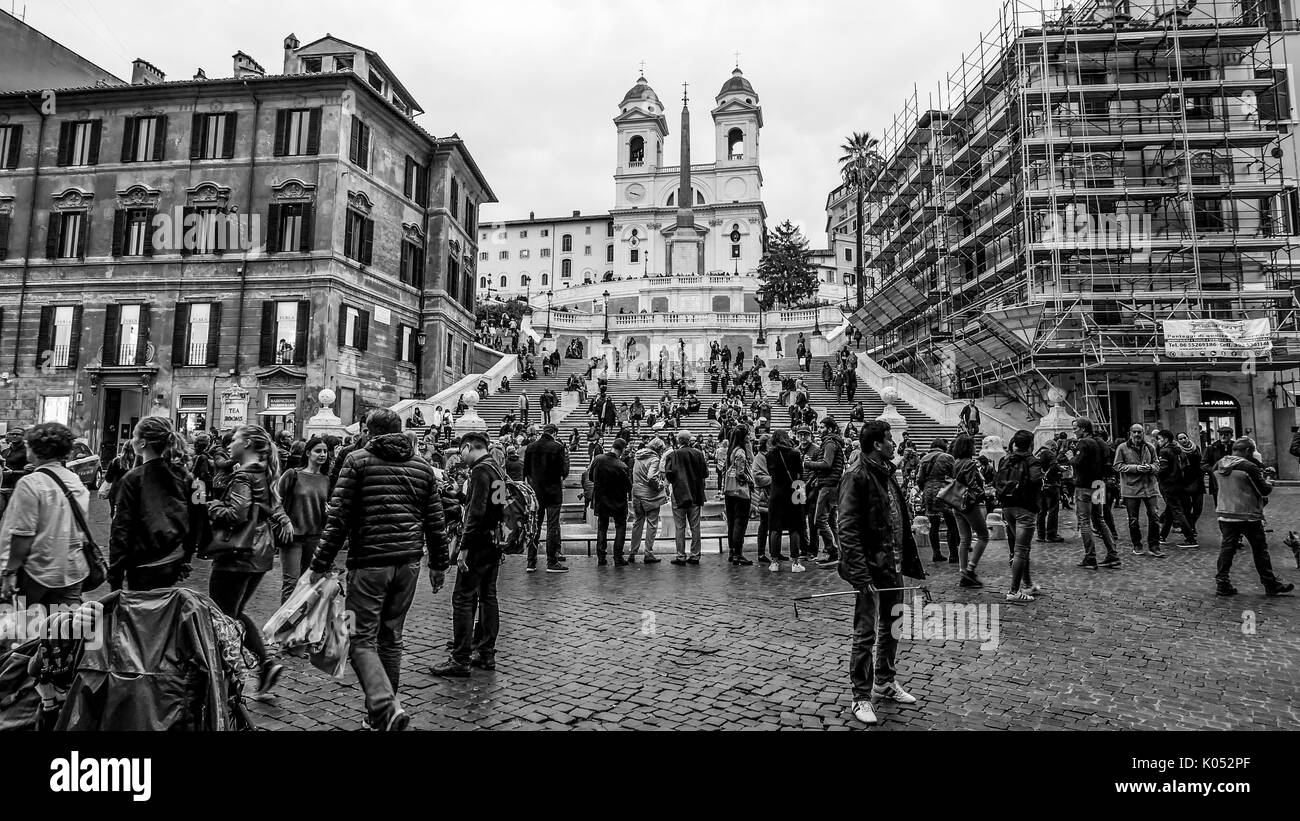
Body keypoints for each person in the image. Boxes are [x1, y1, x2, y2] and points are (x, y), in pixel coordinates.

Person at [310, 409, 449, 731]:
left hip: (370, 563)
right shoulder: (422, 466)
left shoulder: (357, 461)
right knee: (391, 638)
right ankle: (380, 717)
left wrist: (319, 563)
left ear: (369, 433)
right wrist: (439, 564)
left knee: (359, 638)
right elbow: (436, 520)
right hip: (409, 564)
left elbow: (339, 518)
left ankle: (385, 705)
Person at [837, 420, 924, 726]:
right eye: (890, 439)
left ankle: (884, 681)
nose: (894, 444)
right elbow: (846, 528)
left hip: (892, 563)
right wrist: (860, 575)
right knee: (865, 633)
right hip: (870, 569)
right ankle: (861, 695)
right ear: (877, 444)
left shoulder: (884, 470)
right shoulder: (857, 475)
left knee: (893, 624)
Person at [207, 425, 290, 697]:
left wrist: (210, 506)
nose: (230, 444)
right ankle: (264, 664)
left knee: (222, 615)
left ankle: (227, 677)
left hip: (238, 554)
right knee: (235, 610)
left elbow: (236, 514)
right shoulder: (264, 473)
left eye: (235, 440)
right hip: (260, 552)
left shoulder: (244, 475)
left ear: (249, 445)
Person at [430, 431, 507, 677]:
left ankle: (460, 657)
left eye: (461, 451)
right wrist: (461, 494)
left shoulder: (479, 471)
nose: (460, 457)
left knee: (463, 598)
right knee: (488, 596)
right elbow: (497, 505)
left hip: (477, 544)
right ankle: (486, 653)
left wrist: (463, 548)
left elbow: (476, 513)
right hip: (493, 542)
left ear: (467, 447)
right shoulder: (496, 468)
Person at [0, 423, 91, 609]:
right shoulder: (74, 480)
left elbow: (22, 535)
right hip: (72, 568)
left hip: (38, 571)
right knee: (63, 629)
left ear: (35, 449)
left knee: (26, 627)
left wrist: (9, 572)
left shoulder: (31, 483)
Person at [106, 418, 202, 592]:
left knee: (141, 613)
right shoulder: (185, 475)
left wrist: (115, 576)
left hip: (143, 563)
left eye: (134, 436)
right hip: (173, 557)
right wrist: (187, 556)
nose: (132, 440)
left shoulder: (133, 478)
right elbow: (197, 517)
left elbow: (121, 528)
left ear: (142, 443)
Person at [1211, 437, 1293, 597]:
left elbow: (1216, 487)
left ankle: (1222, 582)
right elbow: (1264, 490)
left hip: (1226, 512)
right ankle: (1270, 583)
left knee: (1227, 549)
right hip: (1248, 514)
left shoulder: (1218, 465)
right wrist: (1269, 480)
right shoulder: (1249, 466)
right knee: (1260, 550)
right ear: (1248, 451)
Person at [277, 436, 331, 603]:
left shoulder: (325, 479)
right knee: (291, 583)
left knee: (309, 583)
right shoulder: (292, 474)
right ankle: (284, 625)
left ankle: (302, 623)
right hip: (292, 536)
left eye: (325, 451)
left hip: (315, 536)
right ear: (308, 453)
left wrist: (328, 511)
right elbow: (275, 500)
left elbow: (323, 507)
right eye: (318, 451)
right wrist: (284, 520)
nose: (322, 454)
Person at [998, 430, 1044, 603]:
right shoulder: (1032, 461)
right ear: (1031, 444)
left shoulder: (1005, 459)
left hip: (1007, 507)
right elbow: (1035, 481)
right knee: (1021, 550)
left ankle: (1028, 583)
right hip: (1025, 508)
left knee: (1022, 549)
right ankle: (1014, 590)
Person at [1068, 418, 1120, 569]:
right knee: (1099, 519)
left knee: (1084, 522)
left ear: (1083, 429)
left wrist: (1071, 458)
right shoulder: (1101, 442)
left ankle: (1090, 557)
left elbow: (1078, 463)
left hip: (1085, 486)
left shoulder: (1084, 443)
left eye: (1076, 428)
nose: (1074, 431)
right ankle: (1113, 554)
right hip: (1099, 484)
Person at [524, 423, 570, 573]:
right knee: (552, 526)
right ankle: (552, 561)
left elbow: (526, 472)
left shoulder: (530, 447)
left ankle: (531, 562)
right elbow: (563, 471)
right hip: (553, 492)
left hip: (536, 491)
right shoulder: (558, 447)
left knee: (534, 526)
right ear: (555, 433)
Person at [1114, 424, 1164, 558]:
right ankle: (1137, 544)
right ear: (1130, 433)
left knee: (1154, 517)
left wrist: (1150, 467)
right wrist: (1135, 468)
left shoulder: (1150, 447)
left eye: (1140, 432)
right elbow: (1117, 466)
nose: (1137, 434)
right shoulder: (1122, 448)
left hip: (1150, 488)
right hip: (1131, 489)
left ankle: (1154, 546)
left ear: (1143, 433)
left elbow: (1157, 465)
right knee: (1133, 519)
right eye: (1134, 432)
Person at [948, 434, 990, 589]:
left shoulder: (955, 462)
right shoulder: (970, 464)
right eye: (973, 445)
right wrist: (985, 494)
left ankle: (963, 571)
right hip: (969, 503)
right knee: (983, 535)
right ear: (968, 447)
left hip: (956, 502)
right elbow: (972, 484)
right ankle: (970, 569)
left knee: (964, 538)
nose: (975, 447)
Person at [764, 429, 808, 572]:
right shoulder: (795, 454)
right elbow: (800, 475)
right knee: (795, 528)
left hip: (776, 494)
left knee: (774, 529)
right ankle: (795, 563)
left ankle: (774, 562)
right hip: (793, 493)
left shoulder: (769, 455)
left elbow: (771, 473)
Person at [805, 417, 845, 566]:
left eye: (822, 427)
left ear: (829, 429)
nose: (819, 429)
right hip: (832, 485)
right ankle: (840, 552)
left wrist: (808, 463)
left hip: (828, 485)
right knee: (831, 521)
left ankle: (833, 551)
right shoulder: (832, 443)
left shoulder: (829, 443)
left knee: (820, 519)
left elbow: (826, 464)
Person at [665, 430, 708, 565]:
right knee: (695, 526)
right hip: (695, 494)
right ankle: (695, 555)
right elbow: (705, 474)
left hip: (679, 494)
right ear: (690, 440)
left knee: (680, 527)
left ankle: (681, 556)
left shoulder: (673, 455)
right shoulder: (699, 454)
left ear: (678, 441)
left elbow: (669, 475)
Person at [590, 439, 633, 566]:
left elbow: (591, 477)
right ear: (623, 450)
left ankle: (601, 557)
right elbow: (628, 487)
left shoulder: (598, 459)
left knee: (602, 527)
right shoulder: (622, 466)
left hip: (601, 499)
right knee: (620, 527)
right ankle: (618, 557)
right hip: (618, 501)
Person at [916, 438, 958, 563]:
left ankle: (936, 553)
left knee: (933, 524)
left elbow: (919, 478)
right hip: (945, 489)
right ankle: (954, 554)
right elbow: (954, 475)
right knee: (951, 523)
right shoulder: (948, 457)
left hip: (929, 491)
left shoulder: (924, 458)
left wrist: (926, 488)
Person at [1155, 429, 1198, 548]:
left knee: (1177, 511)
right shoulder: (1179, 451)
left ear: (1166, 439)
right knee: (1170, 511)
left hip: (1169, 485)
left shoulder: (1164, 451)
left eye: (1159, 439)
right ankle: (1162, 535)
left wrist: (1155, 473)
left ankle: (1190, 538)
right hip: (1180, 484)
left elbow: (1163, 469)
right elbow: (1185, 467)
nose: (1158, 442)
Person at [630, 438, 668, 564]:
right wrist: (660, 485)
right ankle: (648, 553)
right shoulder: (654, 459)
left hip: (636, 494)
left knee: (637, 522)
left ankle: (632, 552)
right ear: (658, 449)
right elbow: (651, 477)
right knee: (652, 524)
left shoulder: (638, 456)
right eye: (662, 449)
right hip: (650, 496)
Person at [722, 427, 755, 567]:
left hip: (730, 491)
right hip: (740, 492)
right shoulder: (740, 452)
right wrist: (750, 480)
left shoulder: (731, 450)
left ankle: (732, 551)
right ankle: (738, 553)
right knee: (740, 523)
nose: (749, 436)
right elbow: (740, 473)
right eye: (747, 434)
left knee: (732, 522)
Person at [1034, 439, 1063, 543]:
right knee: (1053, 510)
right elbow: (1054, 465)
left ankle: (1041, 535)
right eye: (1055, 449)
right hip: (1051, 484)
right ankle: (1051, 535)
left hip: (1040, 486)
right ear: (1052, 446)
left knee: (1041, 511)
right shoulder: (1049, 452)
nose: (1055, 452)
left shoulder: (1037, 453)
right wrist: (1060, 469)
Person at [102, 444, 138, 519]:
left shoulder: (116, 461)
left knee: (116, 516)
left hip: (116, 493)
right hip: (132, 493)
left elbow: (108, 478)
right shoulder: (139, 462)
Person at [1203, 426, 1235, 503]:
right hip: (1217, 480)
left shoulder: (1236, 447)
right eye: (1221, 434)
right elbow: (1203, 464)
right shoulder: (1211, 448)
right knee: (1219, 502)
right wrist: (1214, 471)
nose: (1223, 436)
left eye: (1226, 434)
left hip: (1233, 479)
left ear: (1231, 436)